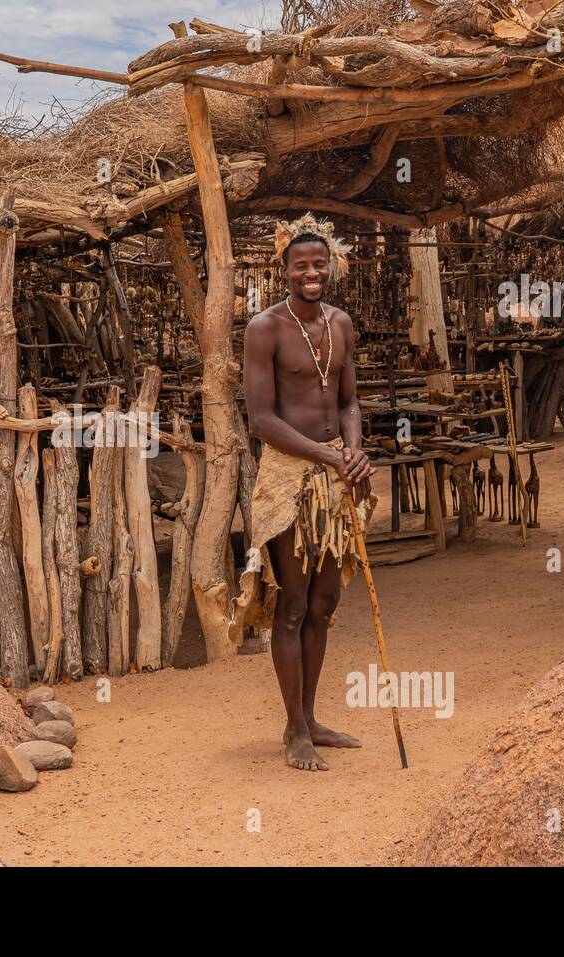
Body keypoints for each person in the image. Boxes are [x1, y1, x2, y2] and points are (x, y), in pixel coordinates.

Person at [242, 214, 375, 771]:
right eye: (301, 265)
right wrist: (324, 455)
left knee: (325, 602)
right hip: (288, 477)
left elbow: (347, 402)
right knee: (292, 606)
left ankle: (312, 717)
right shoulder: (264, 328)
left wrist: (354, 449)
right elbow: (261, 418)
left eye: (320, 264)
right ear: (286, 270)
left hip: (335, 476)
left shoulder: (341, 324)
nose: (312, 272)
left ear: (332, 266)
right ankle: (294, 729)